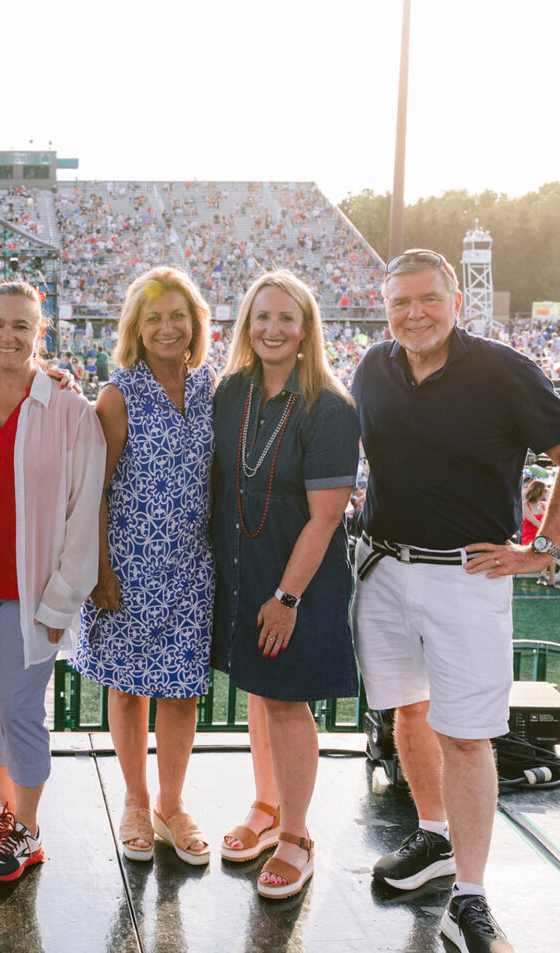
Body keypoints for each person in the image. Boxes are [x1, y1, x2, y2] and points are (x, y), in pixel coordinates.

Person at [352, 250, 560, 953]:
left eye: (428, 299)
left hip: (468, 575)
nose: (414, 314)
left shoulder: (502, 369)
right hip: (384, 569)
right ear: (386, 306)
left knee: (466, 735)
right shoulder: (373, 366)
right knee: (408, 709)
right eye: (400, 303)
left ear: (456, 300)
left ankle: (471, 894)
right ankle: (432, 834)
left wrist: (544, 549)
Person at [0, 281, 105, 882]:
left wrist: (65, 596)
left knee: (20, 707)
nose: (9, 337)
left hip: (34, 591)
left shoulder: (70, 410)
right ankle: (8, 812)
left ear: (42, 333)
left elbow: (85, 512)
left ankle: (27, 832)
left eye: (22, 327)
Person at [210, 270, 359, 899]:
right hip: (242, 570)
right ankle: (266, 807)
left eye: (286, 320)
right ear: (247, 325)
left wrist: (288, 597)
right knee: (259, 690)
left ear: (306, 331)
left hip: (295, 579)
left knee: (286, 702)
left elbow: (326, 516)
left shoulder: (328, 406)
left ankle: (296, 835)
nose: (272, 330)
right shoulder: (232, 391)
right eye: (261, 317)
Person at [70, 266, 217, 866]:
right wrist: (101, 570)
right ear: (135, 325)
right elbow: (95, 491)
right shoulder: (117, 395)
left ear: (194, 323)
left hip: (191, 566)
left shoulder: (213, 388)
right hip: (128, 567)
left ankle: (172, 803)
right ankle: (134, 799)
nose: (166, 326)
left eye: (177, 315)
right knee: (127, 690)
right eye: (153, 316)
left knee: (181, 693)